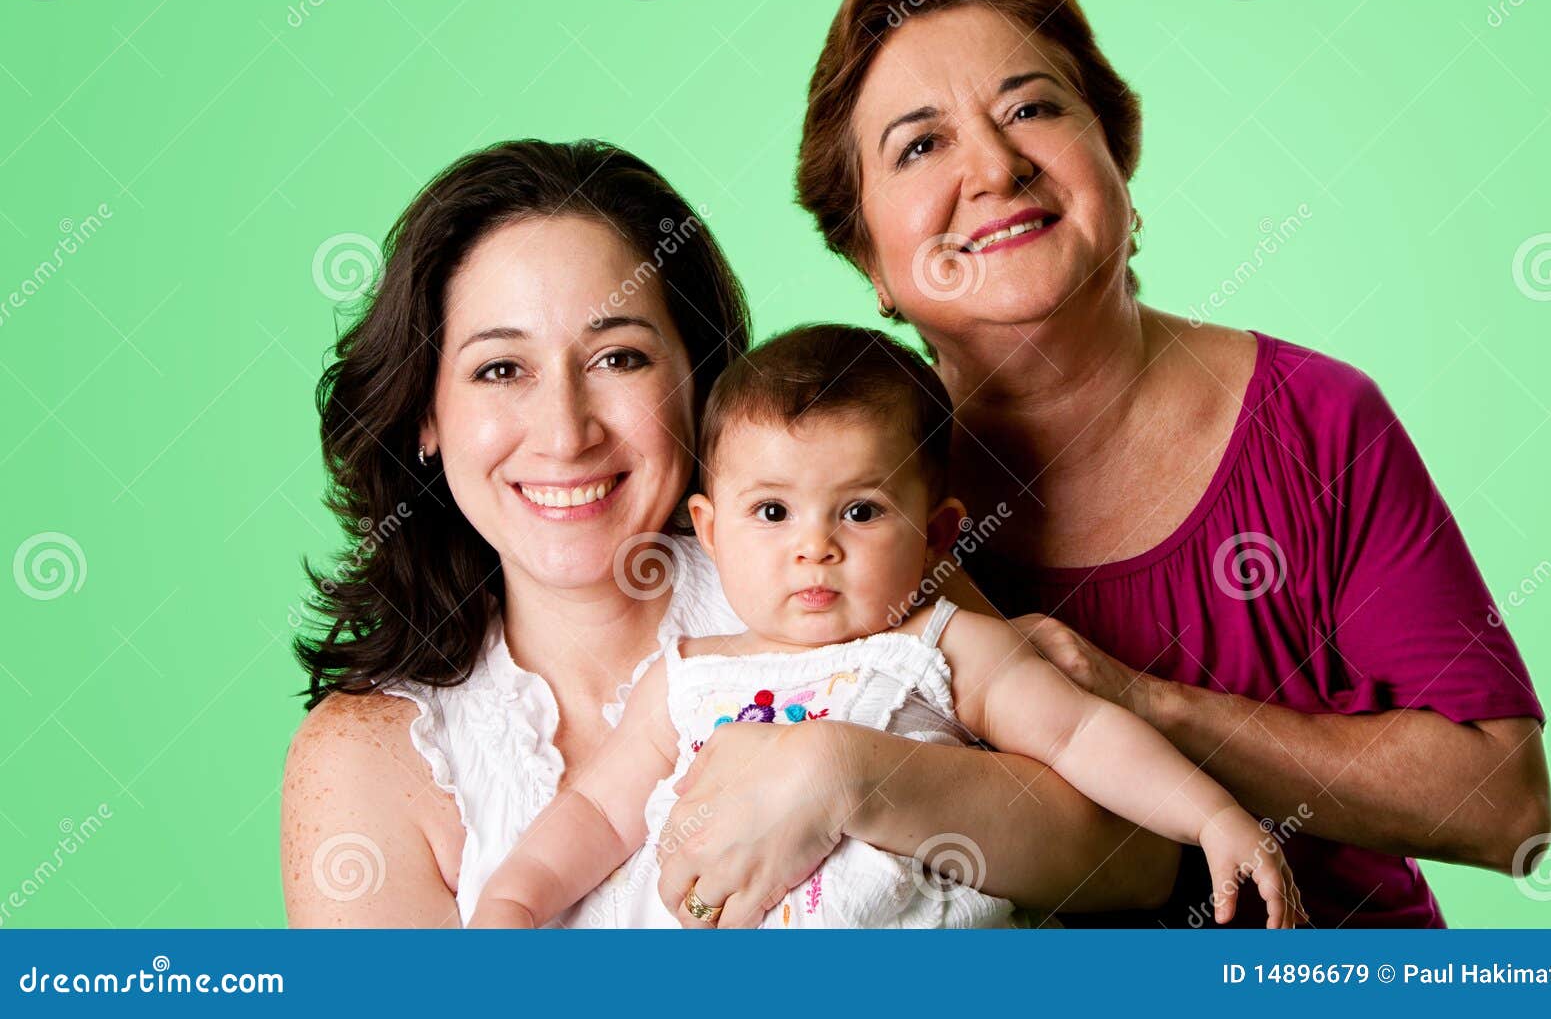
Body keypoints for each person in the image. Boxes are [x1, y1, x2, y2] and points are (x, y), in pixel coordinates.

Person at [793, 0, 1551, 926]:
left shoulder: (1319, 421)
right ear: (871, 263)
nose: (993, 166)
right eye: (918, 146)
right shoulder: (826, 500)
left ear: (1117, 163)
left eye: (1031, 108)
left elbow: (1508, 807)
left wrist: (1145, 700)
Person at [281, 138, 1182, 927]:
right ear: (425, 415)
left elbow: (1139, 861)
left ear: (698, 385)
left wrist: (846, 774)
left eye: (620, 356)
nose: (565, 430)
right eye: (500, 367)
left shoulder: (831, 564)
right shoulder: (366, 760)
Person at [470, 324, 1300, 929]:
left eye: (860, 510)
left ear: (936, 534)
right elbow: (594, 817)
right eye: (772, 511)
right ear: (711, 528)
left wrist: (1211, 816)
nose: (815, 546)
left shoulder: (945, 648)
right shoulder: (684, 678)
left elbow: (1084, 735)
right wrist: (511, 904)